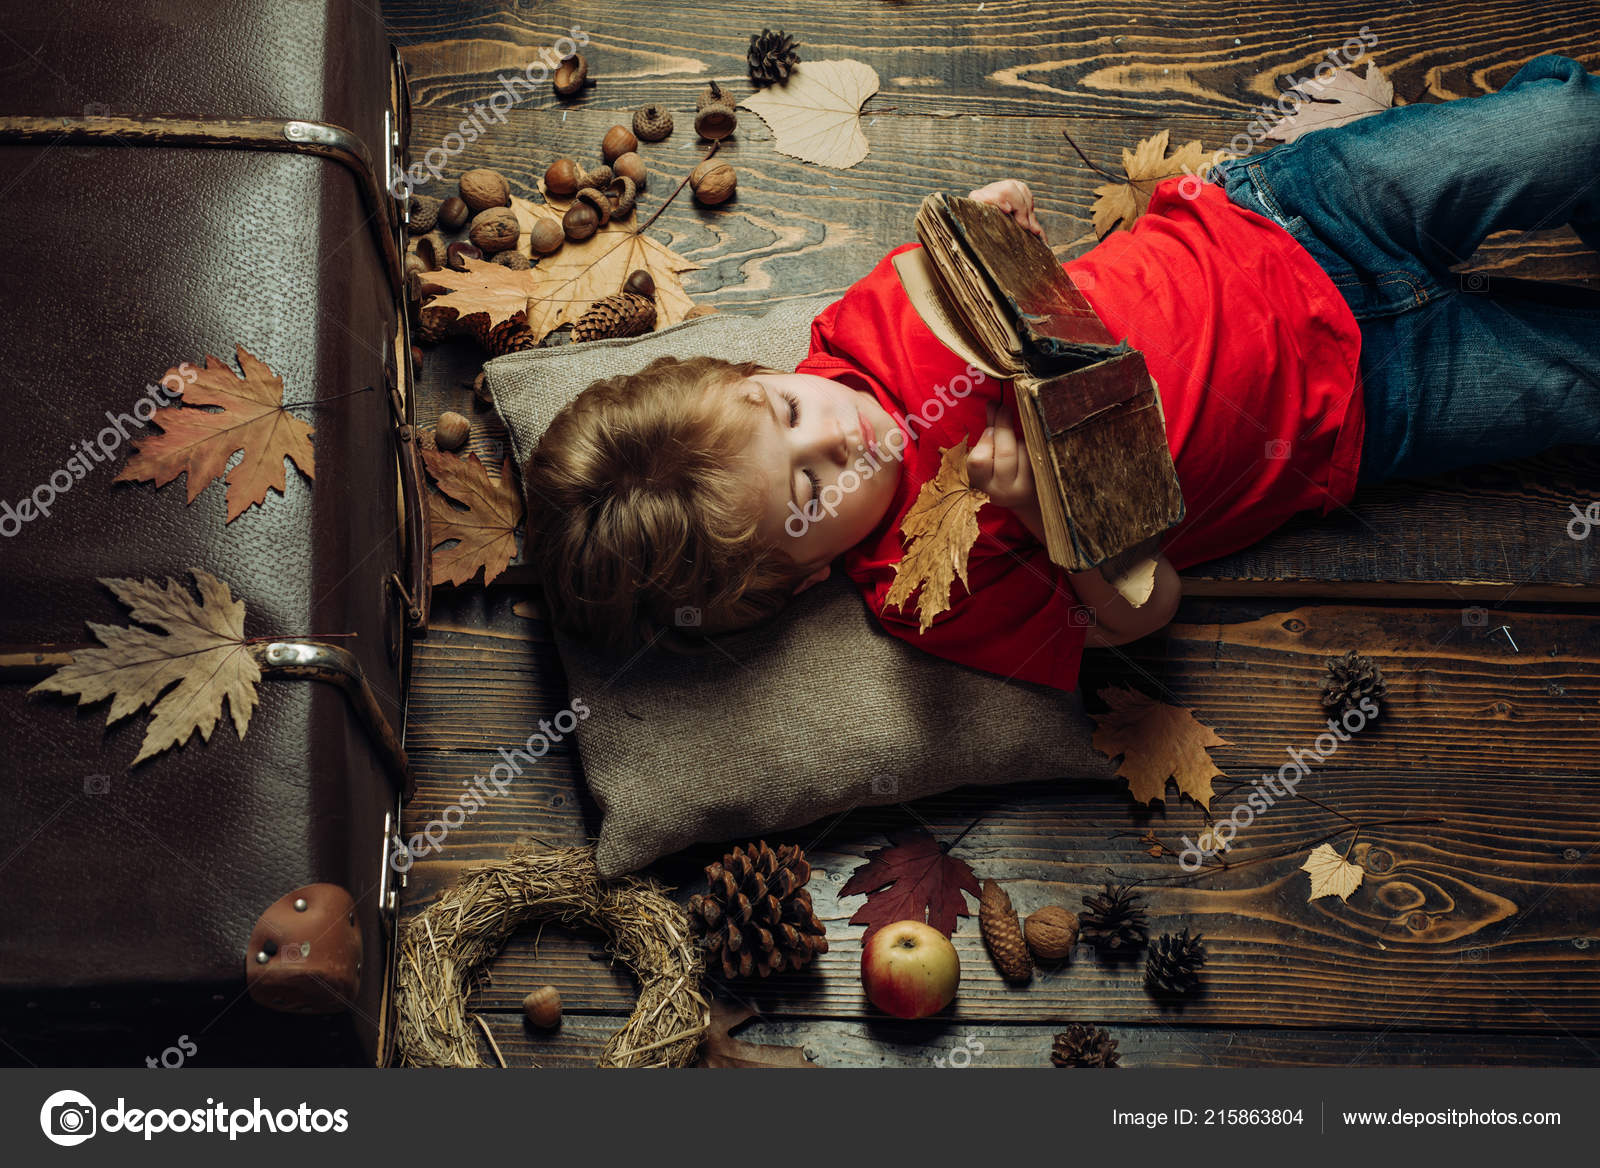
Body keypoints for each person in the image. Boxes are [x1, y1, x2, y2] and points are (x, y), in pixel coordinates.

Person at [521, 53, 1600, 694]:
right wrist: (1057, 519)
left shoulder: (865, 317)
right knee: (1578, 388)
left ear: (757, 373)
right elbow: (1147, 614)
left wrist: (1006, 220)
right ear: (800, 578)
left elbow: (1014, 264)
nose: (835, 436)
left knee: (1565, 130)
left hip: (1285, 219)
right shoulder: (923, 593)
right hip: (1356, 413)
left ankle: (1553, 108)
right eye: (808, 491)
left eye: (785, 411)